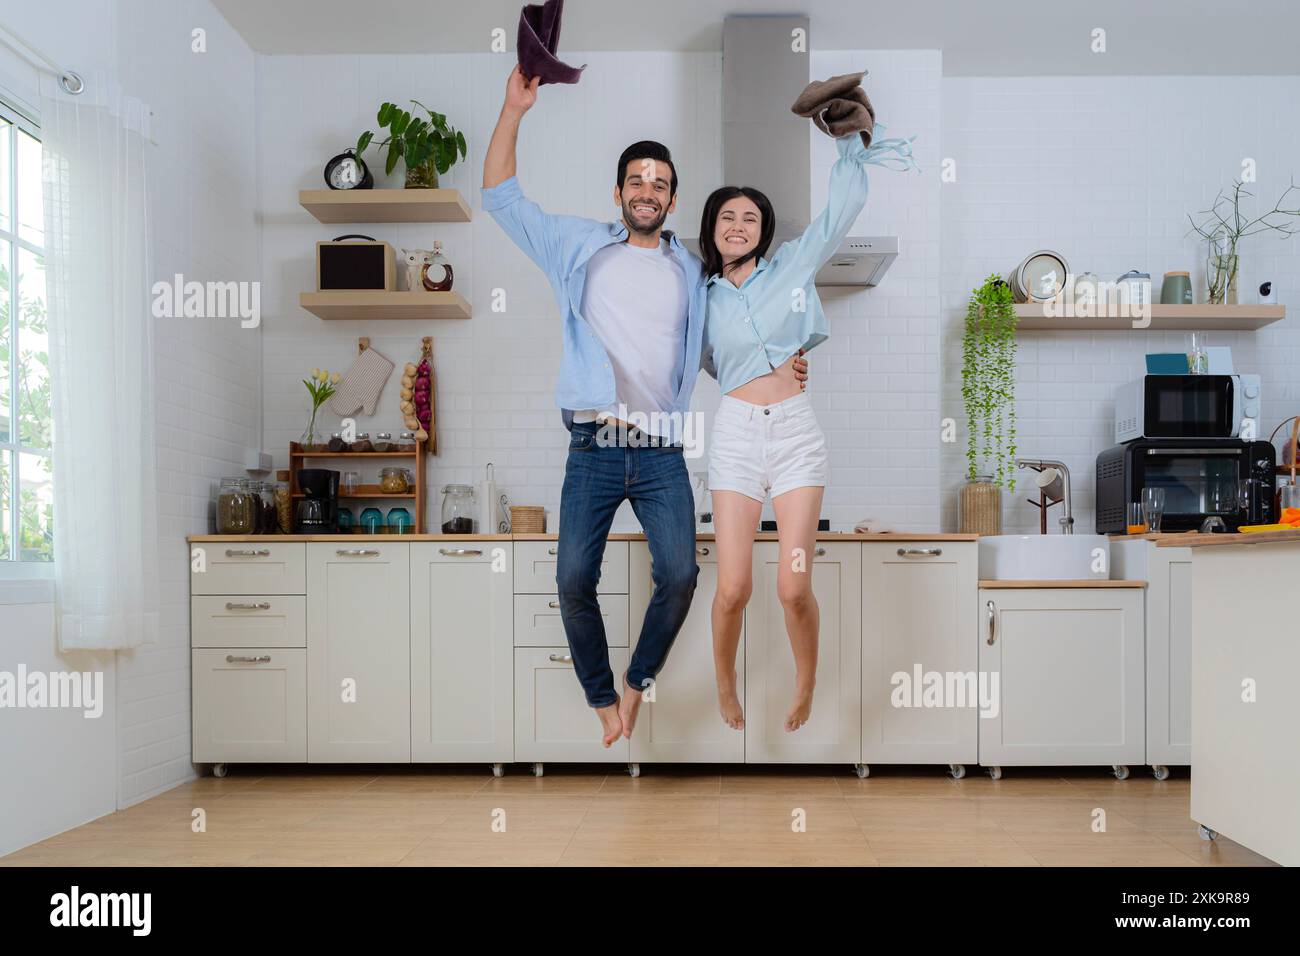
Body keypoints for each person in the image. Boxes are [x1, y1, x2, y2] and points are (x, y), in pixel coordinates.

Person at [481, 65, 808, 746]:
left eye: (660, 184)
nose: (648, 192)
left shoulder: (694, 271)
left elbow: (722, 349)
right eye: (638, 181)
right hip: (594, 447)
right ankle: (602, 695)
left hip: (662, 449)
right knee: (573, 577)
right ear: (619, 191)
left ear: (673, 199)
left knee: (684, 575)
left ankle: (637, 683)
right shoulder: (575, 245)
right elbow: (501, 197)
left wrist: (780, 362)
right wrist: (514, 110)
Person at [700, 124, 916, 733]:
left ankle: (806, 681)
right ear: (712, 229)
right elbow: (700, 359)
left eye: (749, 218)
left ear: (764, 231)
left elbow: (838, 213)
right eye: (727, 218)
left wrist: (851, 148)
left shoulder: (793, 266)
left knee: (792, 588)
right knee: (733, 588)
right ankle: (724, 679)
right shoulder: (701, 296)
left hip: (794, 436)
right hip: (737, 437)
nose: (738, 226)